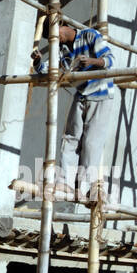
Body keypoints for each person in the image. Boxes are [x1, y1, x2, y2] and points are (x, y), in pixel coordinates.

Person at [34, 22, 118, 196]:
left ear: (63, 25)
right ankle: (65, 182)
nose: (56, 39)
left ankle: (84, 186)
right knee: (70, 138)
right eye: (51, 38)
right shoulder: (62, 49)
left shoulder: (90, 35)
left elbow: (110, 60)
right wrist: (37, 62)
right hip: (82, 94)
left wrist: (92, 61)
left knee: (91, 142)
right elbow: (48, 70)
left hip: (101, 93)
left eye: (55, 34)